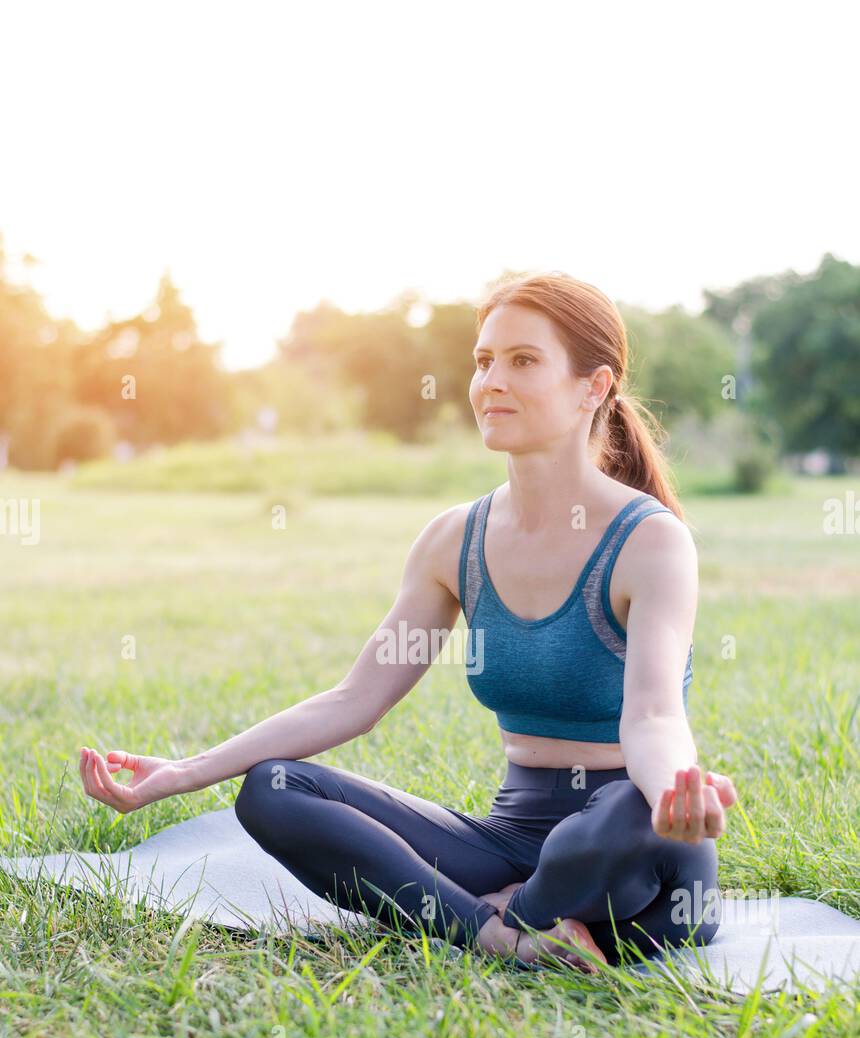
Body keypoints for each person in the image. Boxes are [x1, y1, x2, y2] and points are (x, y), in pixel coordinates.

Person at [80, 271, 738, 974]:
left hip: (635, 850)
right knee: (272, 790)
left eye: (523, 361)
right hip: (511, 835)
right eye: (484, 361)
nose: (492, 382)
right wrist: (185, 770)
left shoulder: (650, 541)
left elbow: (654, 717)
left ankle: (493, 906)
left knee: (620, 819)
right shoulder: (455, 541)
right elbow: (355, 699)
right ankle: (497, 929)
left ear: (594, 387)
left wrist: (676, 788)